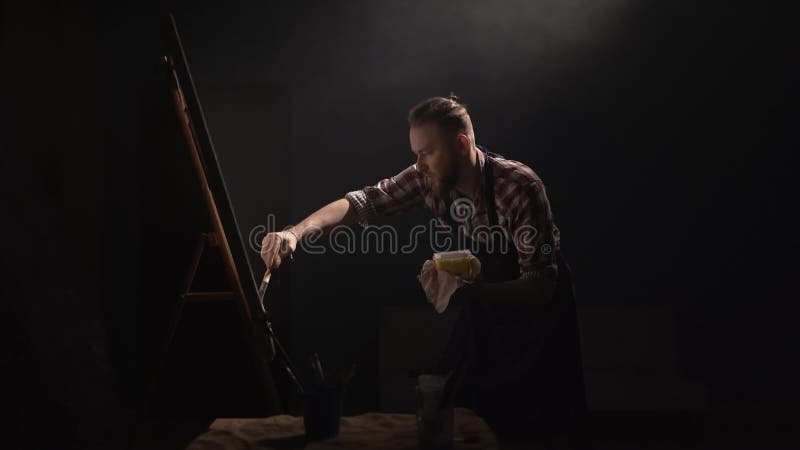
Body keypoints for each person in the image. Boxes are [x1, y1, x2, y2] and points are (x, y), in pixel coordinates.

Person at [260, 96, 585, 445]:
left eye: (427, 152)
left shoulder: (519, 187)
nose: (419, 164)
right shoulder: (425, 178)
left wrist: (472, 290)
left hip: (538, 322)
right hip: (487, 306)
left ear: (461, 145)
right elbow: (361, 203)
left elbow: (540, 288)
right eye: (416, 153)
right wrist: (293, 233)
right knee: (462, 411)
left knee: (538, 429)